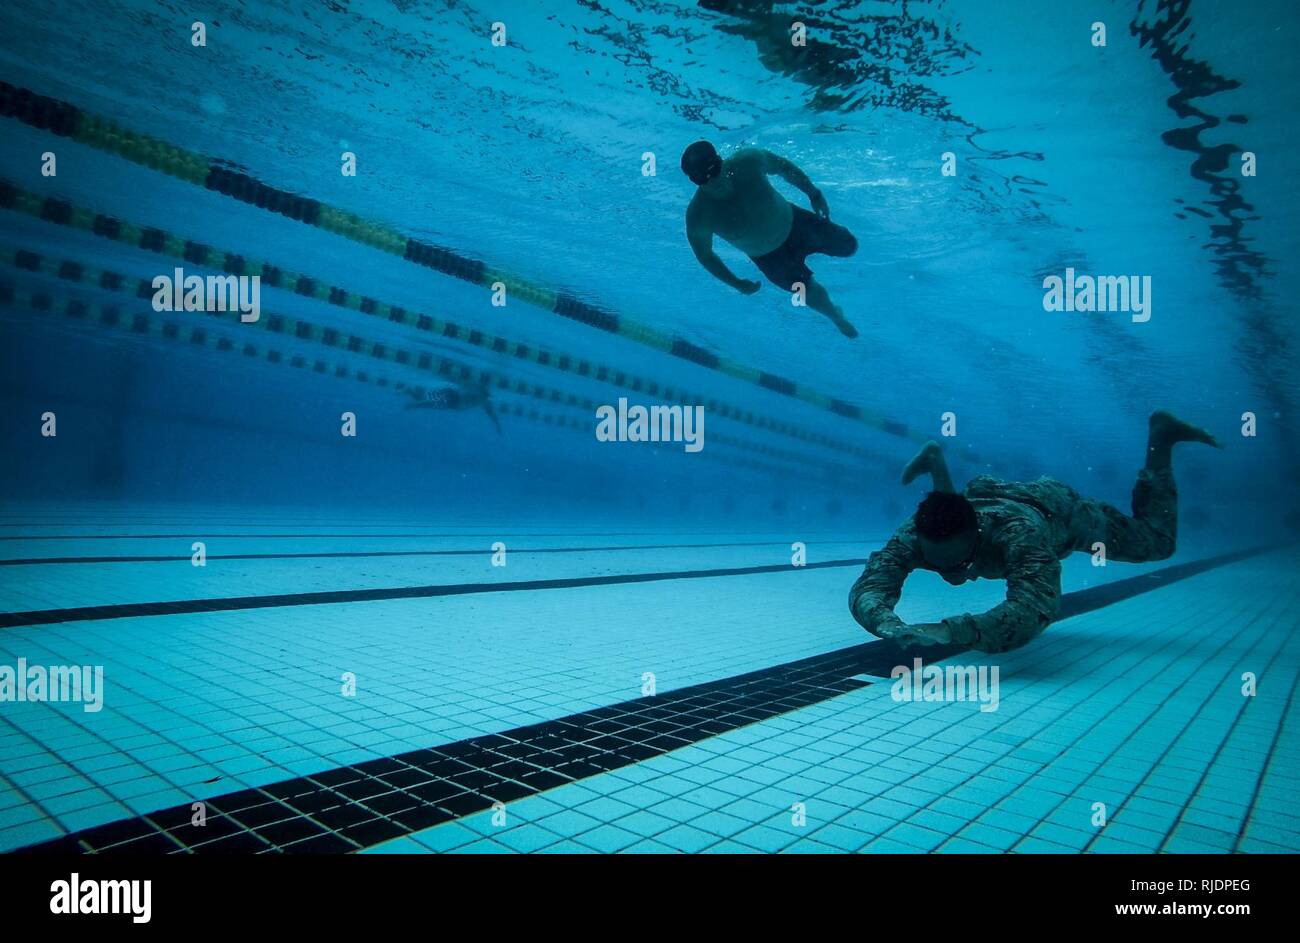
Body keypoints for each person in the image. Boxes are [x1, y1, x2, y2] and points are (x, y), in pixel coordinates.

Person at [848, 411, 1221, 653]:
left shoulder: (1021, 538)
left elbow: (1032, 611)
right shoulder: (917, 532)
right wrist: (889, 625)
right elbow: (867, 588)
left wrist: (949, 631)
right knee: (952, 510)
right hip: (980, 500)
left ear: (977, 539)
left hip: (1056, 511)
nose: (951, 577)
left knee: (1157, 544)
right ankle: (935, 460)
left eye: (960, 563)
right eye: (935, 564)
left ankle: (1162, 437)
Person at [681, 141, 859, 338]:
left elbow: (783, 167)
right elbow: (705, 255)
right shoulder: (699, 215)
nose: (711, 181)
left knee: (849, 246)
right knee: (808, 293)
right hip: (773, 260)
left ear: (720, 161)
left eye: (713, 171)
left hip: (798, 225)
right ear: (693, 180)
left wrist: (814, 194)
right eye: (700, 178)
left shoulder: (748, 162)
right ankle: (836, 317)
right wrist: (736, 283)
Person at [404, 379, 501, 434]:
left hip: (452, 399)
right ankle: (413, 400)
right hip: (453, 398)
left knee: (427, 400)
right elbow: (491, 414)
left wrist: (497, 426)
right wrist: (497, 426)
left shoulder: (484, 399)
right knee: (429, 403)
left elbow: (491, 414)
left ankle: (410, 392)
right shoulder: (482, 396)